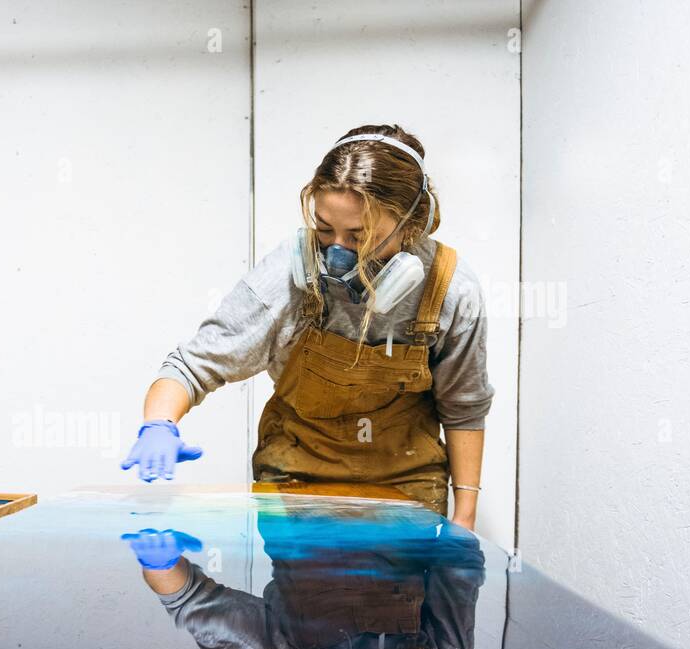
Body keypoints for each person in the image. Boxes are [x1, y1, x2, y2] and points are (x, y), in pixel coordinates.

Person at [121, 124, 495, 530]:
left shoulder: (449, 289)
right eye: (324, 229)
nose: (337, 252)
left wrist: (465, 516)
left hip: (407, 486)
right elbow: (192, 365)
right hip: (296, 482)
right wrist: (159, 424)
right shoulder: (289, 275)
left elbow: (464, 406)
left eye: (360, 236)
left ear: (411, 224)